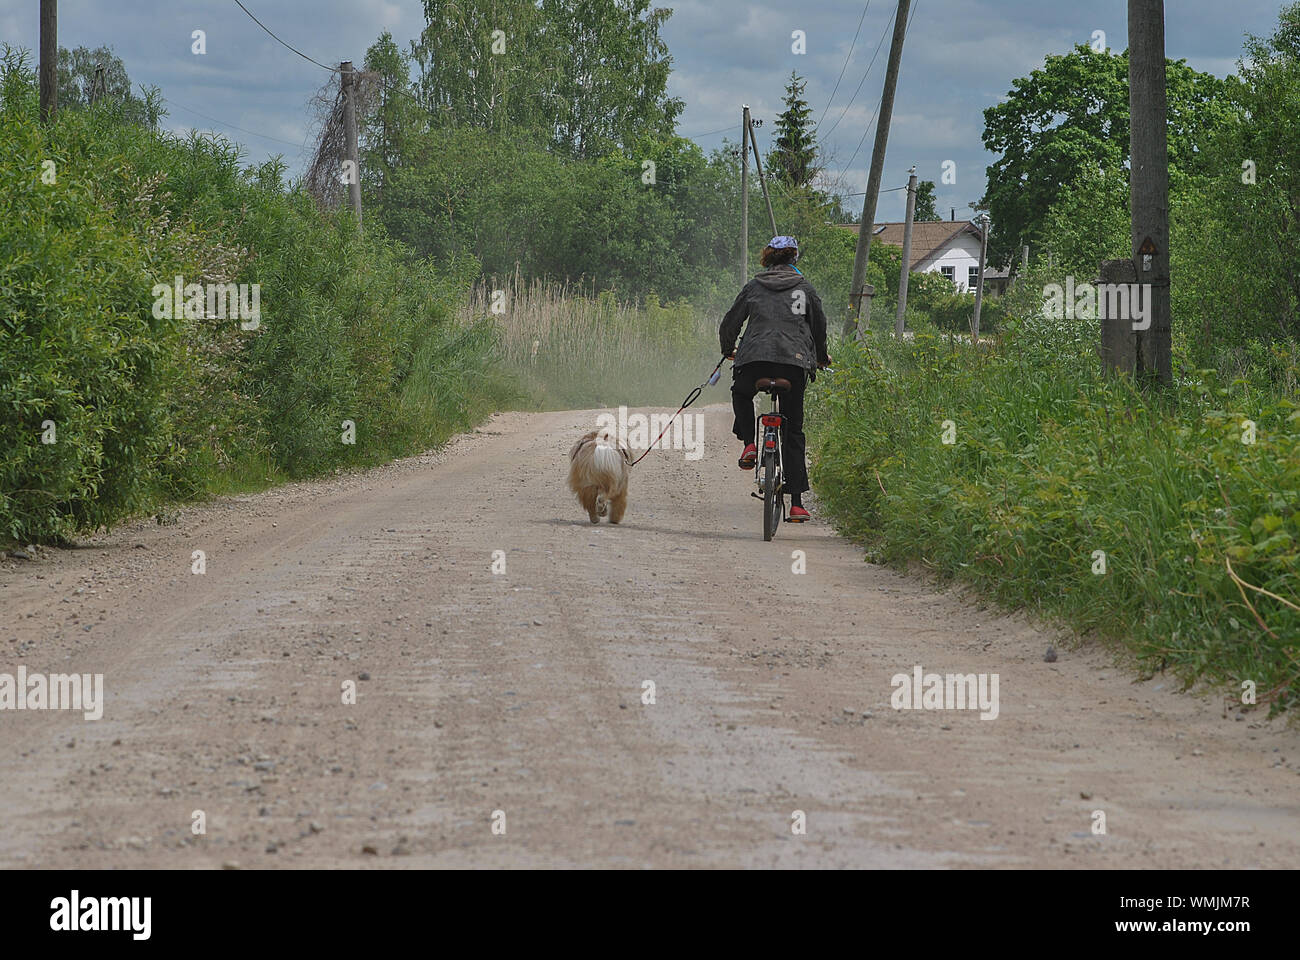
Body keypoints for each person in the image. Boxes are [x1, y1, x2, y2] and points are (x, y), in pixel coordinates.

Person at [719, 236, 831, 522]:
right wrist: (820, 357)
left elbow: (730, 322)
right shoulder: (804, 289)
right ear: (793, 259)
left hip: (754, 361)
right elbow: (818, 327)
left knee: (741, 393)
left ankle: (750, 444)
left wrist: (728, 349)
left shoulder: (754, 286)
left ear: (768, 258)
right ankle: (796, 504)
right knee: (793, 431)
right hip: (793, 364)